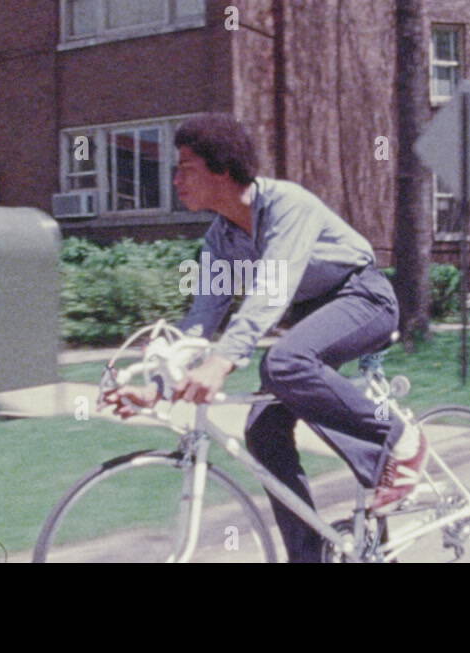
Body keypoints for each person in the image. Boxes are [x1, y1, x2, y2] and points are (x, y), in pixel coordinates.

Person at [101, 113, 426, 562]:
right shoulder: (220, 239)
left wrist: (223, 362)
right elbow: (201, 321)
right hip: (314, 317)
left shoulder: (287, 205)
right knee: (263, 430)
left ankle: (399, 442)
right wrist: (156, 386)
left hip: (363, 299)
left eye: (186, 169)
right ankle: (309, 556)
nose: (175, 180)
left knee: (284, 363)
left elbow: (272, 289)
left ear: (223, 168)